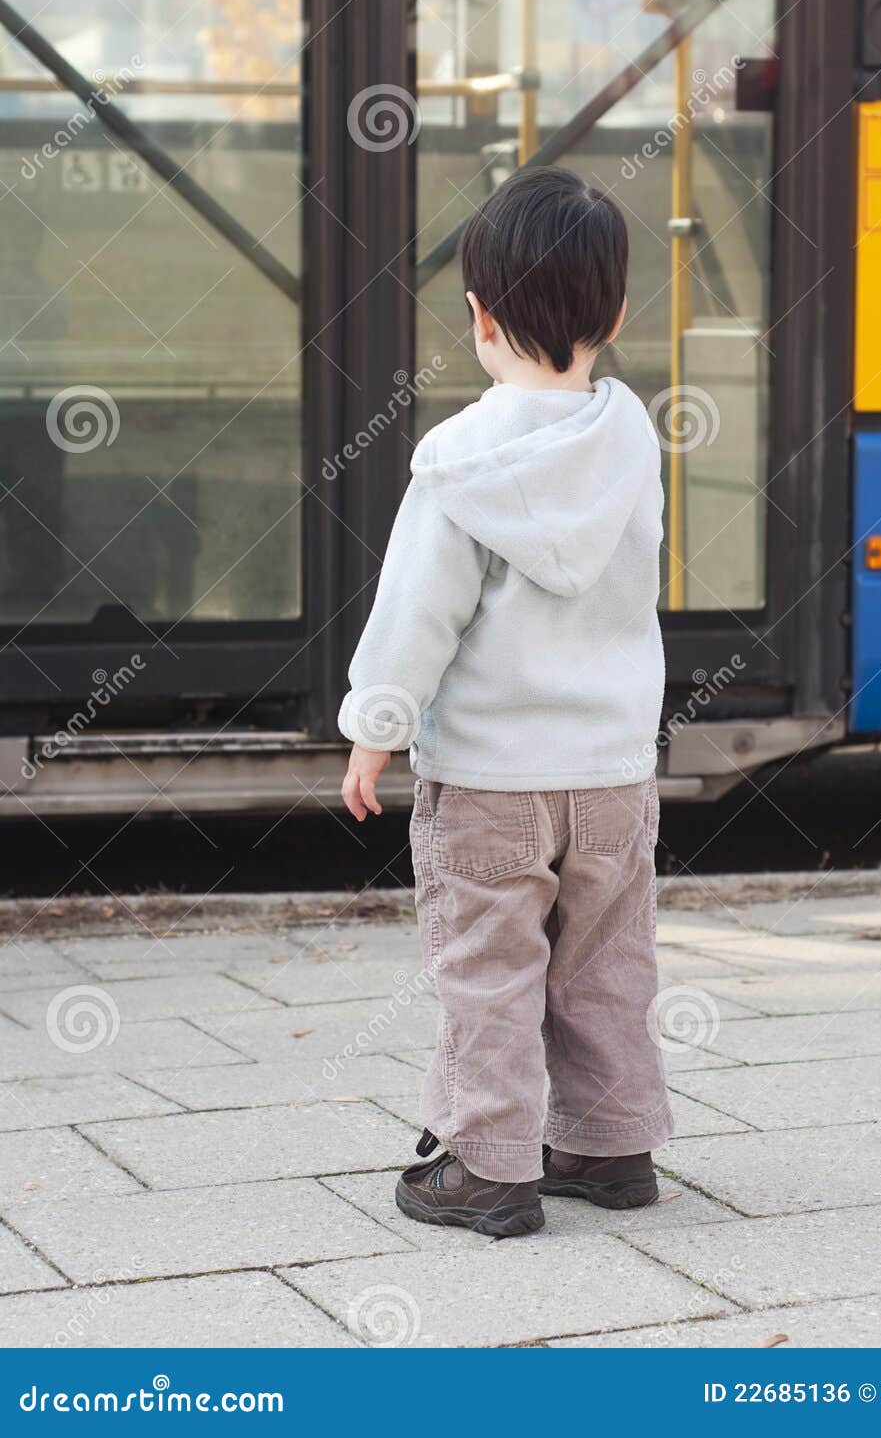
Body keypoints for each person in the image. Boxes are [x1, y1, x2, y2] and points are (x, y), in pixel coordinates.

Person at [339, 165, 672, 1236]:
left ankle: (487, 1165)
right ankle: (610, 1143)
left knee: (487, 970)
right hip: (614, 772)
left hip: (490, 780)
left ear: (476, 316)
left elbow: (417, 612)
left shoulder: (457, 459)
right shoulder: (631, 437)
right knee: (605, 963)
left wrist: (376, 726)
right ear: (615, 314)